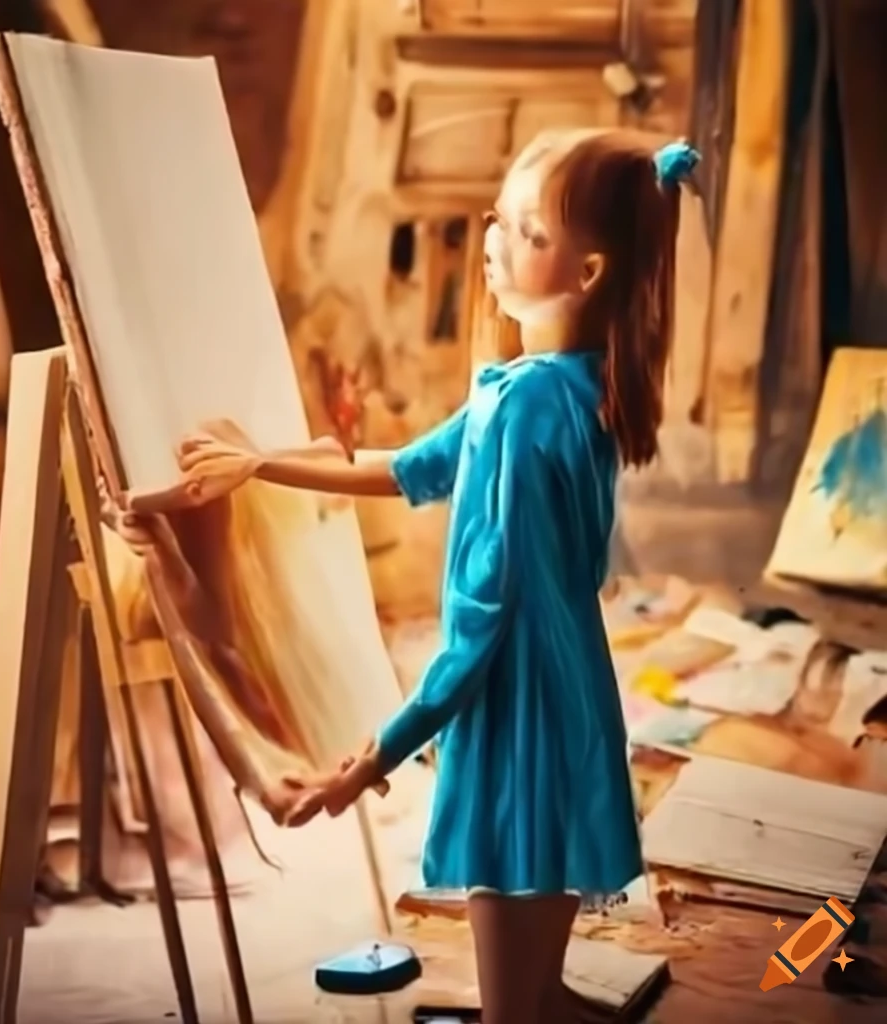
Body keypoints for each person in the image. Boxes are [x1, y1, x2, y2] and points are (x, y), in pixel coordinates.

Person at [124, 129, 699, 1024]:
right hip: (567, 699)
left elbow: (479, 630)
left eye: (525, 230)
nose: (493, 240)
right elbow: (404, 469)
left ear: (587, 273)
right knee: (537, 995)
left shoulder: (525, 410)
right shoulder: (560, 388)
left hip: (519, 723)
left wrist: (373, 757)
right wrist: (260, 463)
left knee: (517, 1008)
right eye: (496, 218)